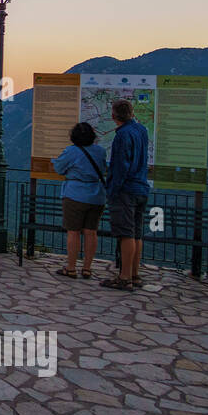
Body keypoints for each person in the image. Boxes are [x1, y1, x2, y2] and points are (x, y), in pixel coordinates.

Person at [102, 99, 150, 290]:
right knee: (137, 234)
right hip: (141, 187)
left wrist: (112, 189)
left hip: (126, 190)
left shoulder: (122, 135)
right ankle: (135, 274)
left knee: (125, 234)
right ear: (131, 113)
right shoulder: (142, 131)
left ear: (114, 116)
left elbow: (121, 165)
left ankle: (124, 278)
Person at [51, 122, 107, 278]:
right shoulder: (100, 151)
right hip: (97, 195)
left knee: (73, 232)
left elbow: (59, 168)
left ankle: (71, 267)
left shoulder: (71, 151)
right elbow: (103, 169)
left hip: (75, 194)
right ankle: (87, 268)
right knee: (91, 232)